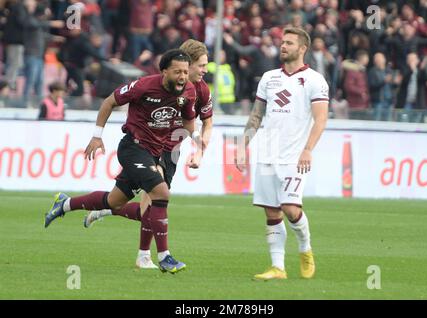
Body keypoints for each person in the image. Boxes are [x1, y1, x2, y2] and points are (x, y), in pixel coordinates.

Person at [44, 49, 201, 274]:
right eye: (177, 72)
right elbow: (109, 101)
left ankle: (65, 204)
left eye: (186, 72)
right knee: (161, 193)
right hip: (133, 149)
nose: (183, 76)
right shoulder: (144, 86)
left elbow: (188, 120)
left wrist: (196, 140)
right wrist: (97, 136)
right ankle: (164, 257)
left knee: (113, 202)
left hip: (154, 153)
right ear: (164, 71)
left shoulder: (189, 91)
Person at [82, 39, 213, 269]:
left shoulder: (200, 90)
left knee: (148, 209)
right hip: (148, 146)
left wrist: (199, 152)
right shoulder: (157, 84)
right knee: (157, 198)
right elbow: (114, 101)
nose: (204, 70)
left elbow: (206, 124)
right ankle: (148, 256)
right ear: (187, 64)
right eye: (201, 65)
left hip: (172, 148)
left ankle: (109, 211)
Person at [235, 27, 329, 280]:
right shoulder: (269, 78)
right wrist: (242, 144)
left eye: (289, 42)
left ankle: (305, 248)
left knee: (290, 208)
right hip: (267, 154)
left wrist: (308, 149)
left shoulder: (314, 80)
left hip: (294, 156)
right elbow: (256, 115)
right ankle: (278, 267)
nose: (283, 46)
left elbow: (321, 119)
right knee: (271, 211)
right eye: (282, 42)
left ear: (302, 48)